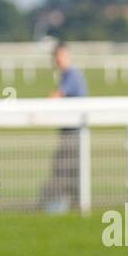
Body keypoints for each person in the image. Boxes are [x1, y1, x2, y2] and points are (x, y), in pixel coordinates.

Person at [38, 40, 88, 211]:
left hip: (74, 132)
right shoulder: (68, 75)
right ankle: (72, 205)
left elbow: (57, 96)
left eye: (59, 56)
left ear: (67, 56)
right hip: (71, 130)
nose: (57, 60)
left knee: (64, 168)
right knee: (70, 170)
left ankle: (52, 206)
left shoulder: (72, 75)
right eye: (55, 57)